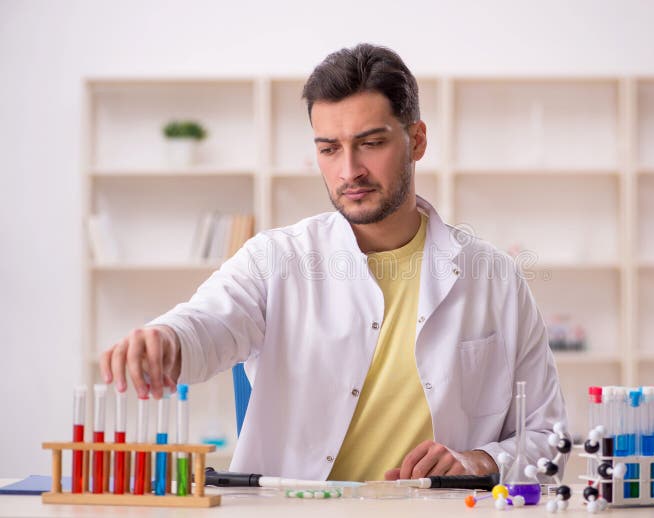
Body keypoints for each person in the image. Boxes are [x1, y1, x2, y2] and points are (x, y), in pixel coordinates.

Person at [100, 43, 567, 482]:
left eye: (371, 143)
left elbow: (549, 440)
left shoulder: (495, 278)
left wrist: (480, 459)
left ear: (417, 141)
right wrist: (166, 339)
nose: (349, 171)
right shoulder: (277, 259)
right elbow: (207, 322)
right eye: (329, 149)